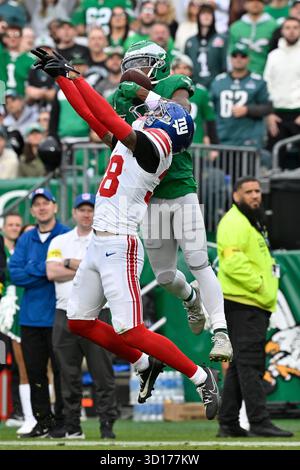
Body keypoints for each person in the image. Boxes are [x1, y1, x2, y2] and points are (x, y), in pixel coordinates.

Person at [30, 47, 221, 421]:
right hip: (99, 241)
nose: (155, 110)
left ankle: (200, 377)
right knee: (79, 321)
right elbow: (90, 114)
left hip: (120, 243)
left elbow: (110, 120)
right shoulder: (141, 133)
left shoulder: (154, 150)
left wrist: (77, 77)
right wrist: (63, 78)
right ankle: (143, 362)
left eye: (162, 113)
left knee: (130, 328)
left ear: (168, 128)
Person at [110, 40, 233, 362]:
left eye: (141, 62)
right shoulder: (120, 96)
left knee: (197, 260)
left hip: (180, 188)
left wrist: (142, 97)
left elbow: (182, 119)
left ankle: (220, 331)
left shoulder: (173, 84)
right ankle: (192, 299)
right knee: (165, 276)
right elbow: (112, 139)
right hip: (150, 195)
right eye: (130, 63)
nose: (133, 70)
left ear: (159, 64)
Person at [216, 177, 293, 438]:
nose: (255, 196)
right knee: (251, 365)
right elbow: (232, 262)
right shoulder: (233, 222)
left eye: (258, 191)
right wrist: (260, 284)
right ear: (236, 195)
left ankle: (228, 423)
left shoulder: (252, 221)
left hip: (252, 304)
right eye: (248, 192)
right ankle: (259, 420)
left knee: (240, 366)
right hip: (244, 302)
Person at [47, 193, 118, 439]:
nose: (86, 214)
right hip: (65, 312)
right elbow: (51, 272)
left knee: (103, 373)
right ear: (75, 212)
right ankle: (72, 425)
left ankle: (107, 425)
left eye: (91, 210)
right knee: (67, 374)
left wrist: (69, 264)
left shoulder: (107, 239)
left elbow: (105, 273)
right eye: (82, 209)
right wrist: (85, 265)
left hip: (97, 313)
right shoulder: (60, 239)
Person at [9, 188, 69, 438]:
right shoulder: (26, 238)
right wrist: (46, 270)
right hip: (31, 317)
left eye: (46, 203)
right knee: (35, 372)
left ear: (54, 206)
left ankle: (64, 422)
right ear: (32, 210)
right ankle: (42, 421)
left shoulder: (66, 235)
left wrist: (38, 269)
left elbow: (74, 271)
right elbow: (15, 273)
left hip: (59, 314)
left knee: (62, 371)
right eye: (37, 204)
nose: (42, 207)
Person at [0, 213, 37, 435]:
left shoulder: (23, 251)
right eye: (10, 225)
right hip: (5, 312)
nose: (14, 228)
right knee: (4, 361)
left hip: (18, 312)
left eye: (17, 225)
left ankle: (22, 412)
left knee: (17, 363)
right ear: (4, 227)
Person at [210, 43, 272, 149]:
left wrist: (248, 110)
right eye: (235, 56)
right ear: (230, 58)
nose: (238, 59)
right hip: (223, 138)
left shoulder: (258, 81)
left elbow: (268, 107)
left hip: (249, 139)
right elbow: (210, 111)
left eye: (243, 56)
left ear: (248, 59)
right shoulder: (218, 81)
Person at [264, 17, 300, 170]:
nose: (291, 31)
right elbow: (266, 85)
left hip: (298, 113)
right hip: (277, 115)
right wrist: (269, 114)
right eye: (288, 27)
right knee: (277, 162)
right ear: (282, 31)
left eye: (295, 27)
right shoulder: (274, 56)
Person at [184, 2, 227, 88]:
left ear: (214, 17)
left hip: (216, 85)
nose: (206, 16)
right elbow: (186, 66)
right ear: (198, 17)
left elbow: (225, 65)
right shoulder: (190, 41)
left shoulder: (222, 39)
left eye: (209, 13)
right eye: (203, 13)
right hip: (195, 86)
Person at [229, 0, 277, 75]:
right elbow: (230, 53)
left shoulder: (274, 26)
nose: (255, 4)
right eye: (251, 1)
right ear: (245, 4)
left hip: (266, 73)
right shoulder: (235, 27)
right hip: (242, 76)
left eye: (258, 1)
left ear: (263, 4)